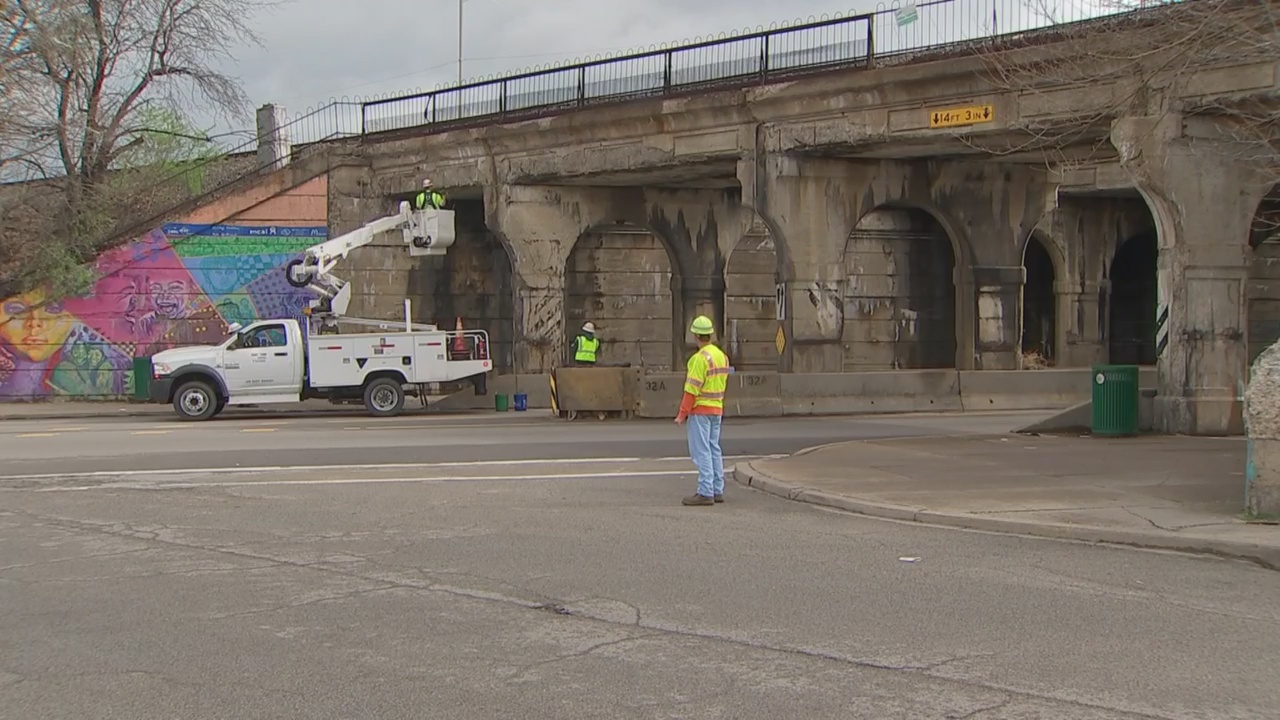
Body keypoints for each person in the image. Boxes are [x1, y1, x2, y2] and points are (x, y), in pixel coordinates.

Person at [674, 315, 729, 506]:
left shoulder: (699, 359)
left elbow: (692, 389)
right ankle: (717, 489)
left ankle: (705, 491)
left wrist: (682, 413)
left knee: (701, 450)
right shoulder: (721, 356)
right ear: (710, 335)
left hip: (700, 411)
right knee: (714, 448)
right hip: (717, 408)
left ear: (696, 335)